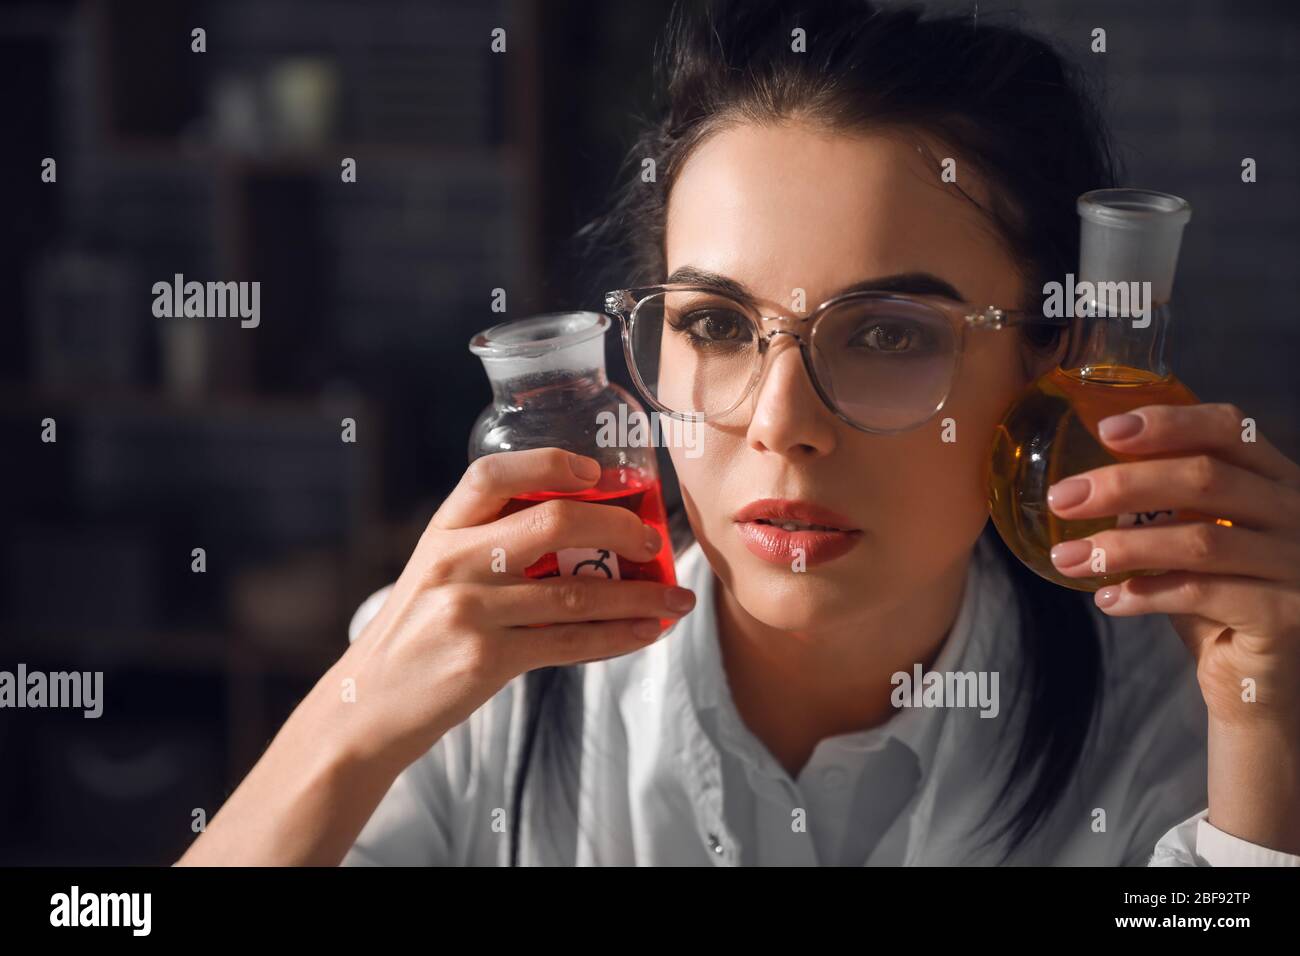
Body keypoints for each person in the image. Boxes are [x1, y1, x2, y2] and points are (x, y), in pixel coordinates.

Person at [177, 0, 1300, 866]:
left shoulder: (1177, 699)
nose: (780, 424)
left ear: (1051, 356)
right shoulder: (481, 679)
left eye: (889, 334)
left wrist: (1270, 730)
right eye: (715, 322)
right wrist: (347, 722)